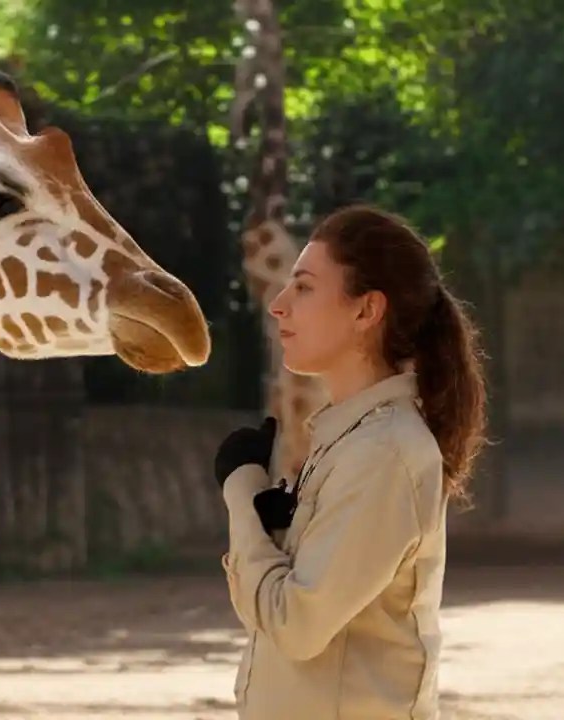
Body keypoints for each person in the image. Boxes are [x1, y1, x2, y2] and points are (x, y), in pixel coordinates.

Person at [214, 204, 488, 719]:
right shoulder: (351, 437)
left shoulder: (384, 452)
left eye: (304, 287)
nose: (278, 305)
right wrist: (269, 533)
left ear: (366, 311)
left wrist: (241, 494)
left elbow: (297, 624)